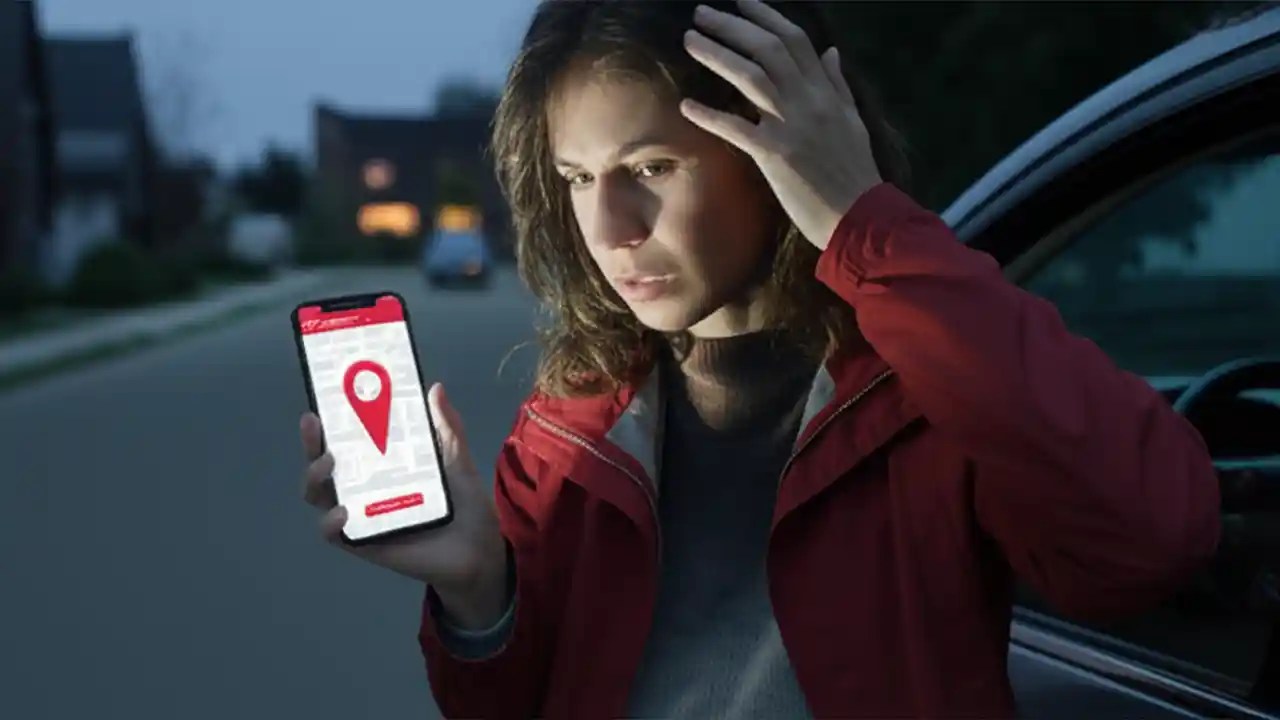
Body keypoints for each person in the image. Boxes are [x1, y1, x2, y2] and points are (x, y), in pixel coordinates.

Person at [299, 1, 1222, 717]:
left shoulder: (926, 387)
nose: (610, 231)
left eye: (652, 167)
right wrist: (477, 589)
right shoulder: (574, 421)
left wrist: (863, 221)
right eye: (579, 180)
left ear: (781, 142)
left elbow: (1147, 541)